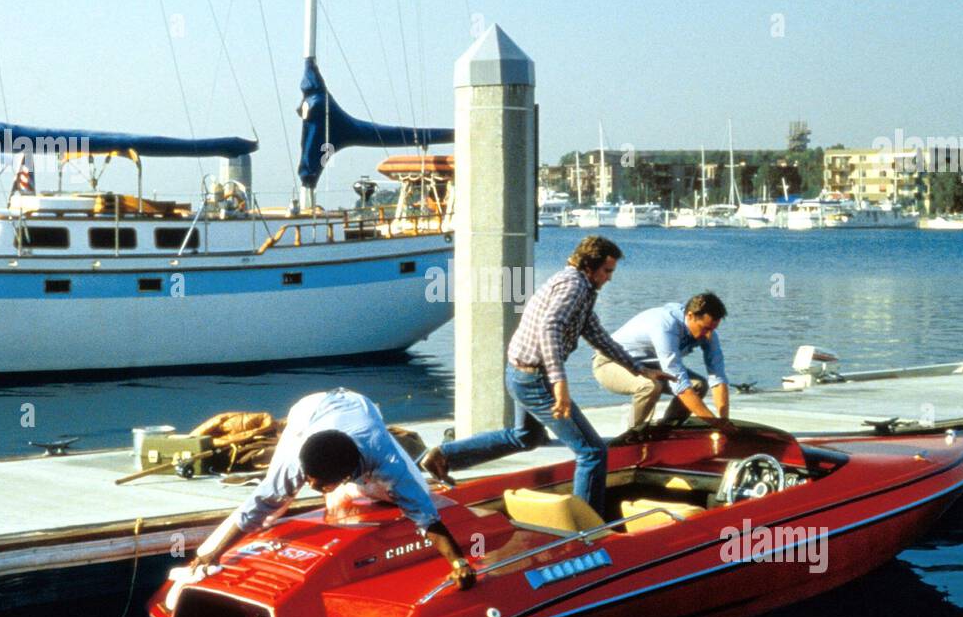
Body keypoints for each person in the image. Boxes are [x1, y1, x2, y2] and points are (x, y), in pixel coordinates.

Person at [418, 236, 671, 515]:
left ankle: (443, 455)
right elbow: (549, 328)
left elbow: (599, 337)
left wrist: (640, 369)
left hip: (519, 373)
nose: (609, 278)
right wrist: (559, 383)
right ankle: (585, 527)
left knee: (525, 436)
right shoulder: (574, 287)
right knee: (592, 452)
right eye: (607, 271)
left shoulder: (578, 286)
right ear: (590, 266)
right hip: (535, 378)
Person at [190, 388, 475, 590]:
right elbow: (260, 502)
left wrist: (458, 562)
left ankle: (402, 466)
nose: (309, 485)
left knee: (416, 493)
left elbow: (427, 519)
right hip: (310, 412)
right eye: (309, 479)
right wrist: (214, 552)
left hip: (362, 409)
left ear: (344, 476)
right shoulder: (297, 461)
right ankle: (207, 554)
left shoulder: (388, 464)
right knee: (275, 499)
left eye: (317, 484)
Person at [592, 292, 730, 429]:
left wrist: (724, 420)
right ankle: (633, 434)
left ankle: (667, 428)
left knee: (698, 385)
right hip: (609, 363)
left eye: (713, 329)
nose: (709, 335)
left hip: (649, 366)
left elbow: (718, 378)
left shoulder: (708, 333)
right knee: (651, 386)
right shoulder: (666, 326)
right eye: (705, 328)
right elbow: (681, 386)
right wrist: (714, 423)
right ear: (690, 316)